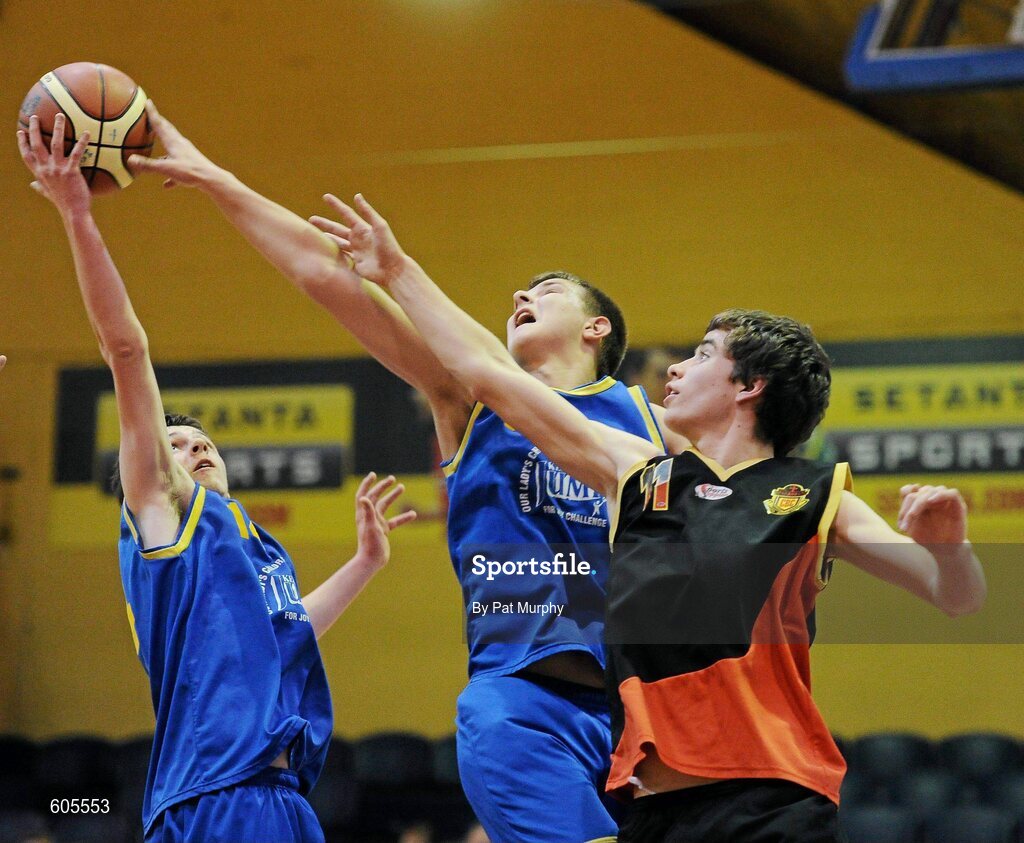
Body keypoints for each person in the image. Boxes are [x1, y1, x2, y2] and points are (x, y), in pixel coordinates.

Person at [331, 194, 988, 843]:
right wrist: (396, 271)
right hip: (652, 810)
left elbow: (956, 595)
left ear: (749, 385)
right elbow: (487, 376)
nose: (675, 365)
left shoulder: (815, 494)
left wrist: (950, 549)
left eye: (702, 354)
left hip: (769, 796)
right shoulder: (636, 475)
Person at [126, 102, 687, 843]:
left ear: (598, 328)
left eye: (546, 290)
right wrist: (216, 180)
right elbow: (325, 277)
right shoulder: (472, 398)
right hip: (528, 700)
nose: (521, 296)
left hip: (644, 708)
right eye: (518, 292)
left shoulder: (653, 426)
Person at [17, 115, 416, 843]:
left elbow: (284, 631)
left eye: (202, 441)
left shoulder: (253, 544)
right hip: (216, 791)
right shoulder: (165, 517)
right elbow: (128, 349)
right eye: (173, 443)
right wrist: (76, 213)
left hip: (283, 794)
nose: (192, 448)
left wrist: (363, 564)